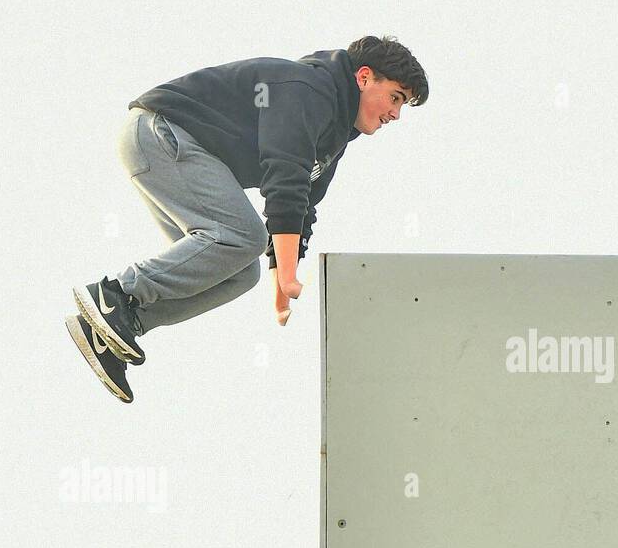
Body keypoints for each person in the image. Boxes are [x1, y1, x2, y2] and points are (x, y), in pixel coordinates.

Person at [65, 36, 429, 404]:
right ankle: (116, 293)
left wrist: (280, 287)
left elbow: (301, 206)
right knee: (242, 236)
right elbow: (283, 180)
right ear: (365, 77)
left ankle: (117, 326)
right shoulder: (310, 89)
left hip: (161, 146)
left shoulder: (335, 132)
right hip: (163, 133)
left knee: (241, 272)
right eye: (395, 97)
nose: (395, 114)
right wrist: (286, 273)